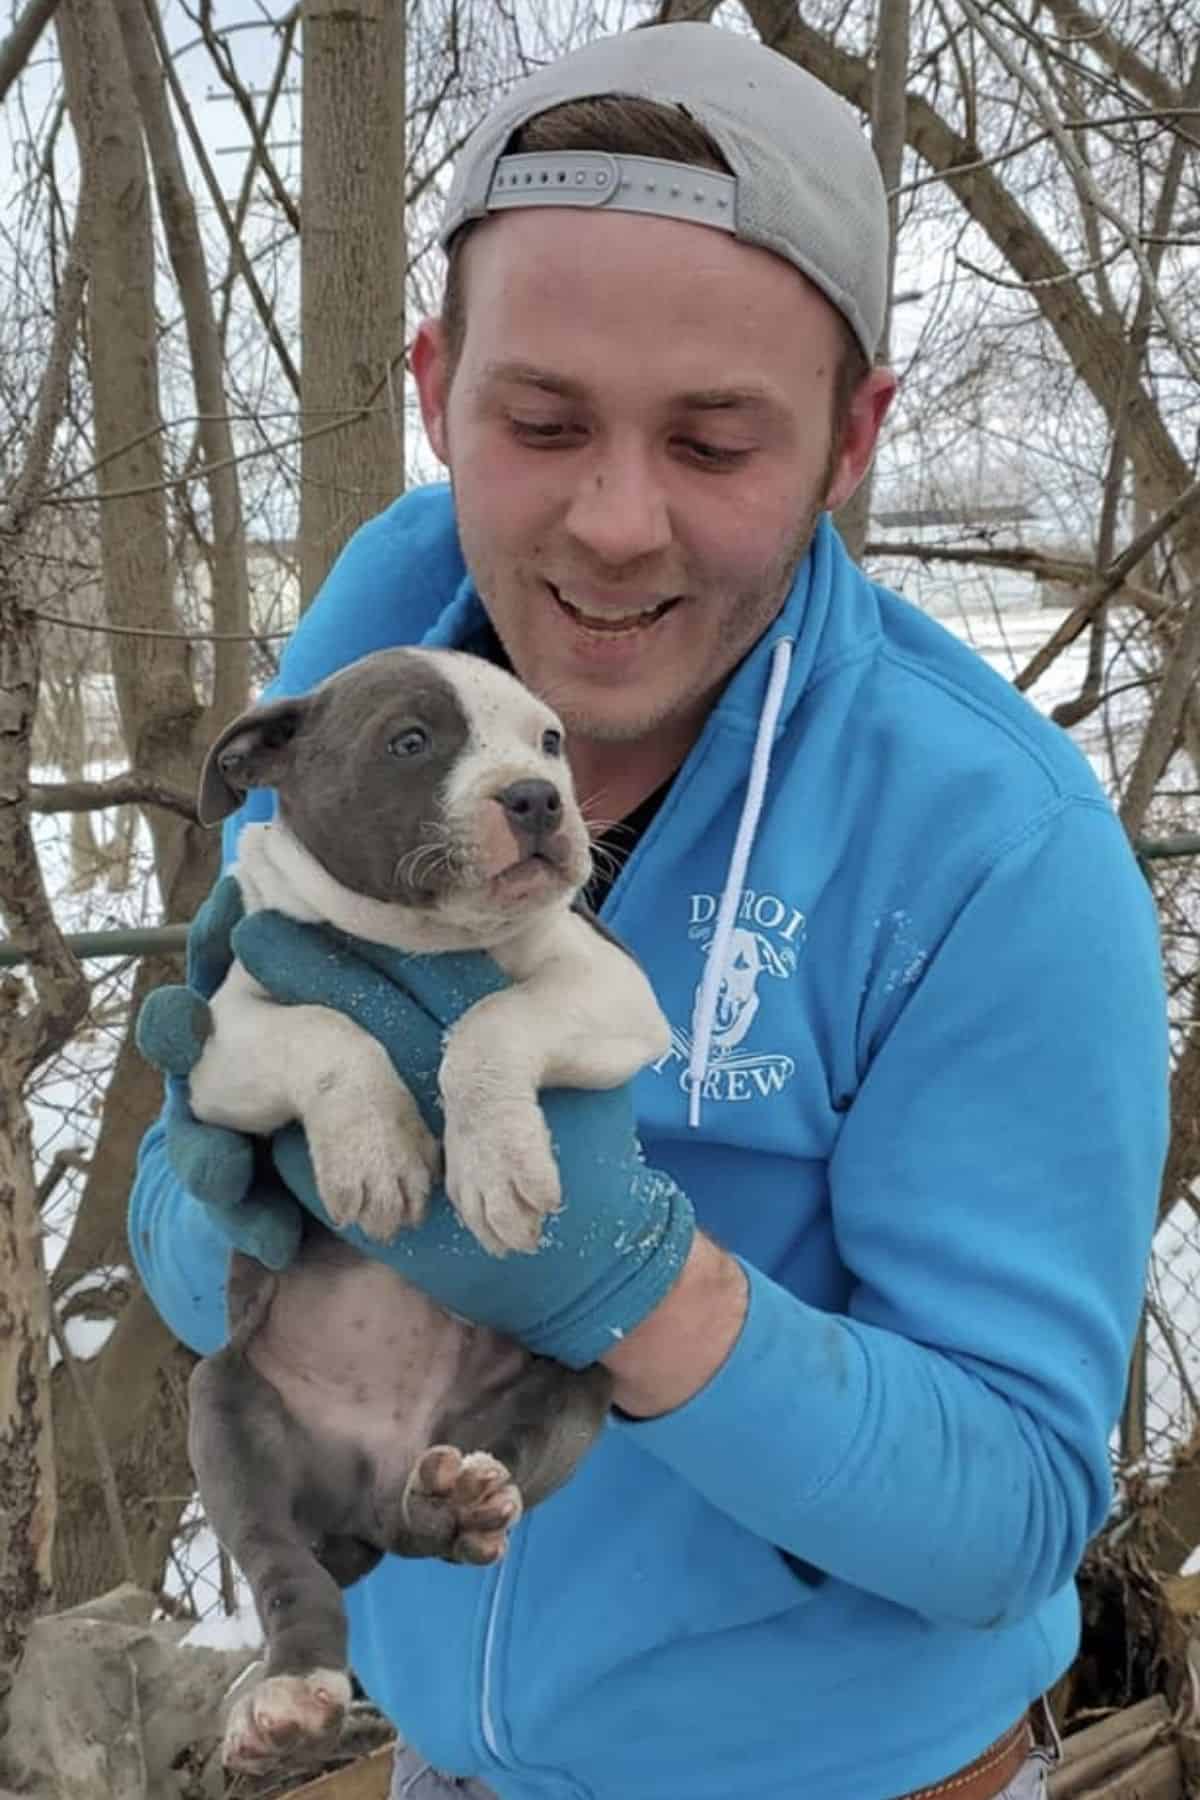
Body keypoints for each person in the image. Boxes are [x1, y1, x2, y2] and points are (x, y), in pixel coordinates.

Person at [130, 21, 1169, 1800]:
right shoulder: (388, 643)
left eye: (713, 441)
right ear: (435, 383)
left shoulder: (994, 844)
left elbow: (1009, 1516)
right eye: (540, 424)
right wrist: (239, 1189)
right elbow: (194, 1243)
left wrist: (640, 1287)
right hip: (445, 1752)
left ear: (852, 440)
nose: (613, 525)